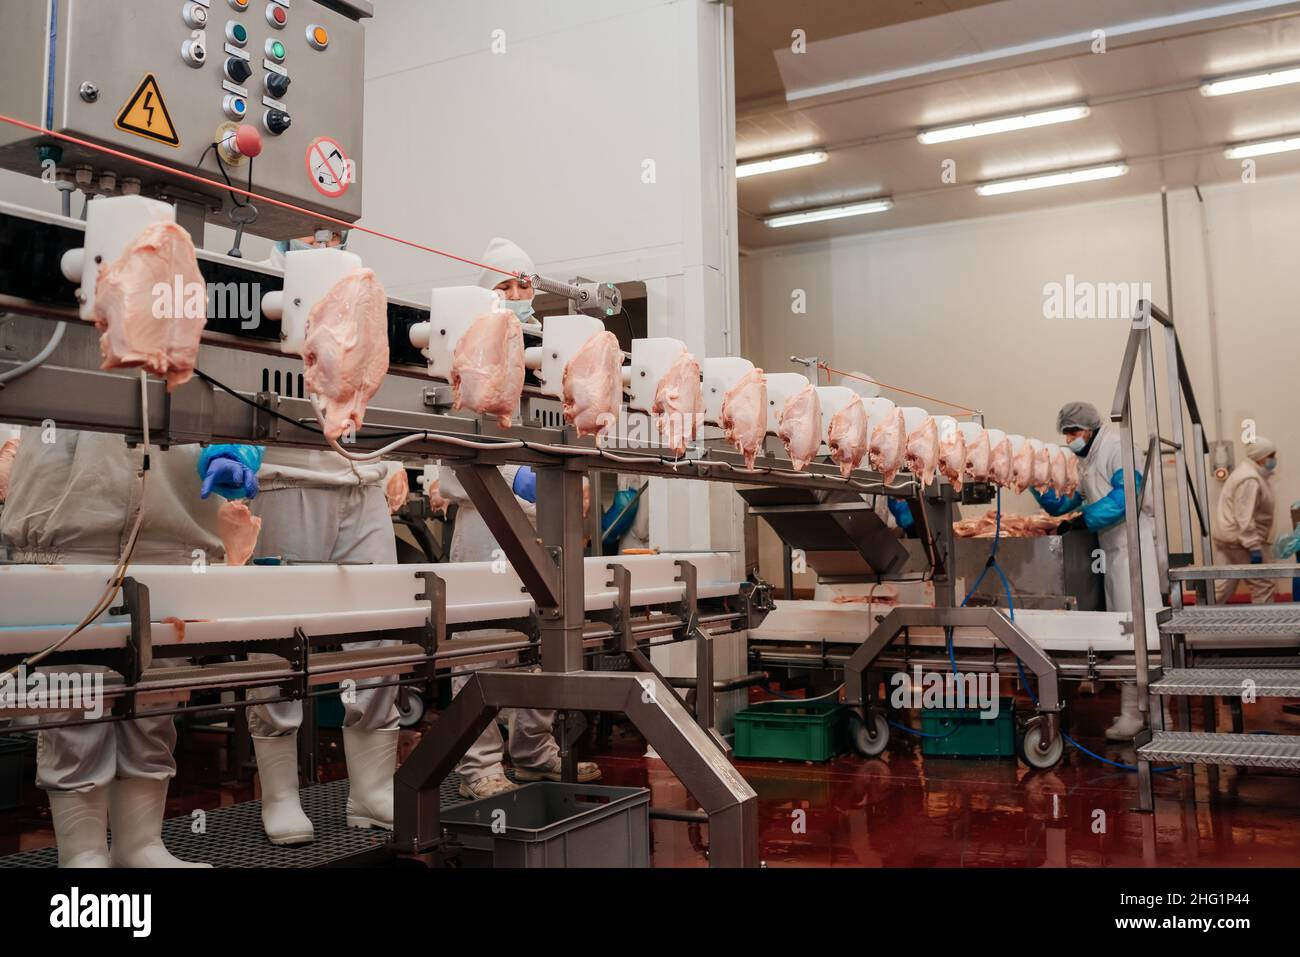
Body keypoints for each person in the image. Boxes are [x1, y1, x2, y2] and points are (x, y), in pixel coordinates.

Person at [1, 431, 218, 867]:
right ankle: (82, 853)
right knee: (74, 699)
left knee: (154, 698)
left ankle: (141, 845)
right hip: (65, 521)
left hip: (169, 520)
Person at [443, 237, 601, 800]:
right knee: (479, 648)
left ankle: (533, 753)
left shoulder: (547, 352)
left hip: (543, 522)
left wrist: (564, 481)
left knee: (540, 641)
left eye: (522, 286)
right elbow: (451, 453)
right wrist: (518, 480)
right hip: (483, 517)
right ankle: (478, 765)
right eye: (502, 287)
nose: (515, 297)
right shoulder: (461, 346)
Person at [1032, 401, 1162, 741]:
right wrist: (1034, 481)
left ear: (1089, 428)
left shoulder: (1116, 447)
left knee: (1136, 630)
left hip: (1135, 547)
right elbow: (1064, 503)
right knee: (1123, 628)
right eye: (1067, 434)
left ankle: (1138, 714)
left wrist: (1084, 519)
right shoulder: (1085, 458)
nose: (1071, 438)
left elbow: (1126, 496)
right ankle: (1136, 711)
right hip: (1113, 549)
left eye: (1074, 432)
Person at [1212, 438, 1279, 604]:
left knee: (1223, 585)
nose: (1274, 459)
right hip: (1241, 542)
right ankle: (1265, 625)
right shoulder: (1250, 479)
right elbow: (1244, 517)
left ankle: (1198, 621)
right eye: (1271, 456)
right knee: (1263, 584)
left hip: (1229, 539)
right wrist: (1254, 547)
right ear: (1260, 457)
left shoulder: (1247, 473)